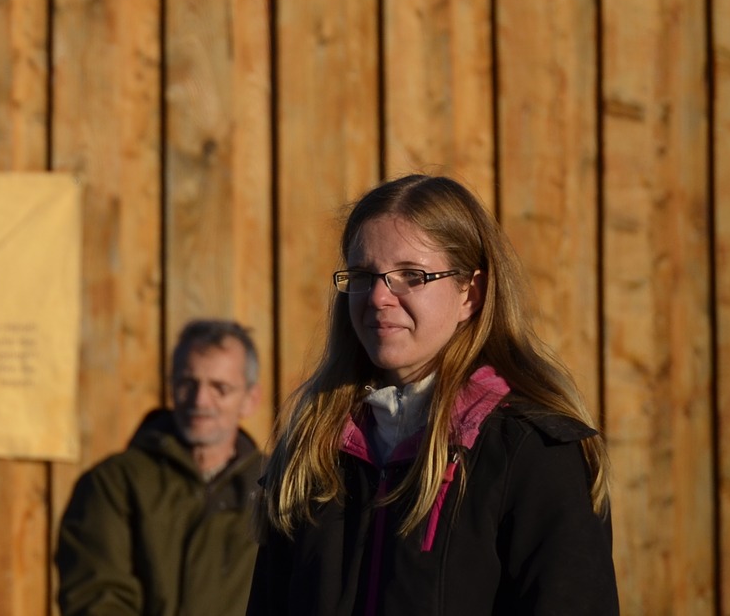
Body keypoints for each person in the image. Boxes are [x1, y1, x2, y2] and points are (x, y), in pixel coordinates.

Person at [247, 174, 616, 615]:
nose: (380, 297)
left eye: (410, 276)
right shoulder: (312, 448)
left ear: (470, 294)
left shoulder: (533, 454)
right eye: (364, 275)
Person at [56, 319, 266, 615]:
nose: (200, 400)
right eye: (186, 384)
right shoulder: (114, 483)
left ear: (249, 400)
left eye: (220, 388)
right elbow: (96, 597)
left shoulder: (278, 488)